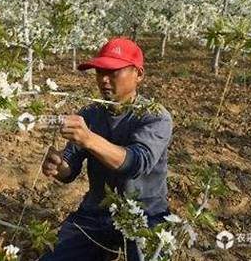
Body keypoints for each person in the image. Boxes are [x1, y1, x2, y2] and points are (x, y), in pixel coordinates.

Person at [39, 38, 173, 261]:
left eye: (113, 72)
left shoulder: (156, 116)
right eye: (100, 72)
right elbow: (69, 169)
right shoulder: (91, 113)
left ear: (138, 74)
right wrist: (59, 166)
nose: (104, 80)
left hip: (145, 215)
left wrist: (90, 139)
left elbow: (136, 163)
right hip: (96, 213)